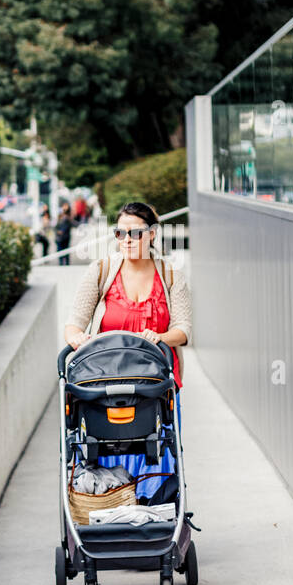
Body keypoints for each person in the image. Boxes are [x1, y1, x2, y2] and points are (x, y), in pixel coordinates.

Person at [63, 201, 192, 498]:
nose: (127, 240)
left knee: (158, 446)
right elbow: (74, 324)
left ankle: (155, 504)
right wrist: (77, 339)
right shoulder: (102, 271)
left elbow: (183, 330)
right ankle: (112, 502)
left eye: (135, 233)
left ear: (152, 235)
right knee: (106, 446)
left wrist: (160, 336)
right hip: (106, 384)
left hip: (155, 385)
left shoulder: (171, 276)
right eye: (120, 233)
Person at [55, 202, 73, 267]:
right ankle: (61, 263)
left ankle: (67, 263)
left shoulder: (69, 217)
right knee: (60, 250)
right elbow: (56, 225)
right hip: (59, 237)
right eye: (64, 206)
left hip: (66, 236)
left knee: (66, 250)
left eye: (66, 206)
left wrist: (62, 231)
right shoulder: (60, 216)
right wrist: (58, 231)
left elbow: (70, 224)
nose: (64, 208)